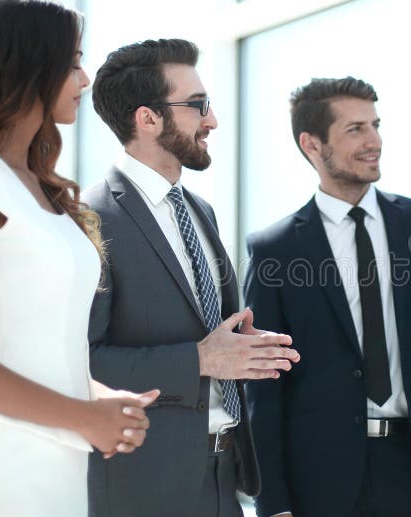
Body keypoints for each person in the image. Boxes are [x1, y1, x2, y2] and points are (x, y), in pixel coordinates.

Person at [245, 76, 411, 517]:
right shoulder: (274, 249)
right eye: (355, 129)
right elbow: (263, 388)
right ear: (312, 144)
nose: (374, 141)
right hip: (318, 482)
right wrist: (272, 502)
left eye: (375, 124)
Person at [85, 38, 299, 517]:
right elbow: (82, 363)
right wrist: (200, 359)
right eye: (198, 106)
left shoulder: (200, 212)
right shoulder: (88, 220)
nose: (212, 121)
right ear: (148, 118)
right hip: (145, 485)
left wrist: (242, 348)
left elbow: (209, 337)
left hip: (226, 476)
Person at [0, 1, 157, 516]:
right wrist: (84, 416)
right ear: (31, 63)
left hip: (60, 464)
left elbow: (32, 342)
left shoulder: (38, 186)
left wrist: (100, 400)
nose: (85, 77)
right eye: (73, 61)